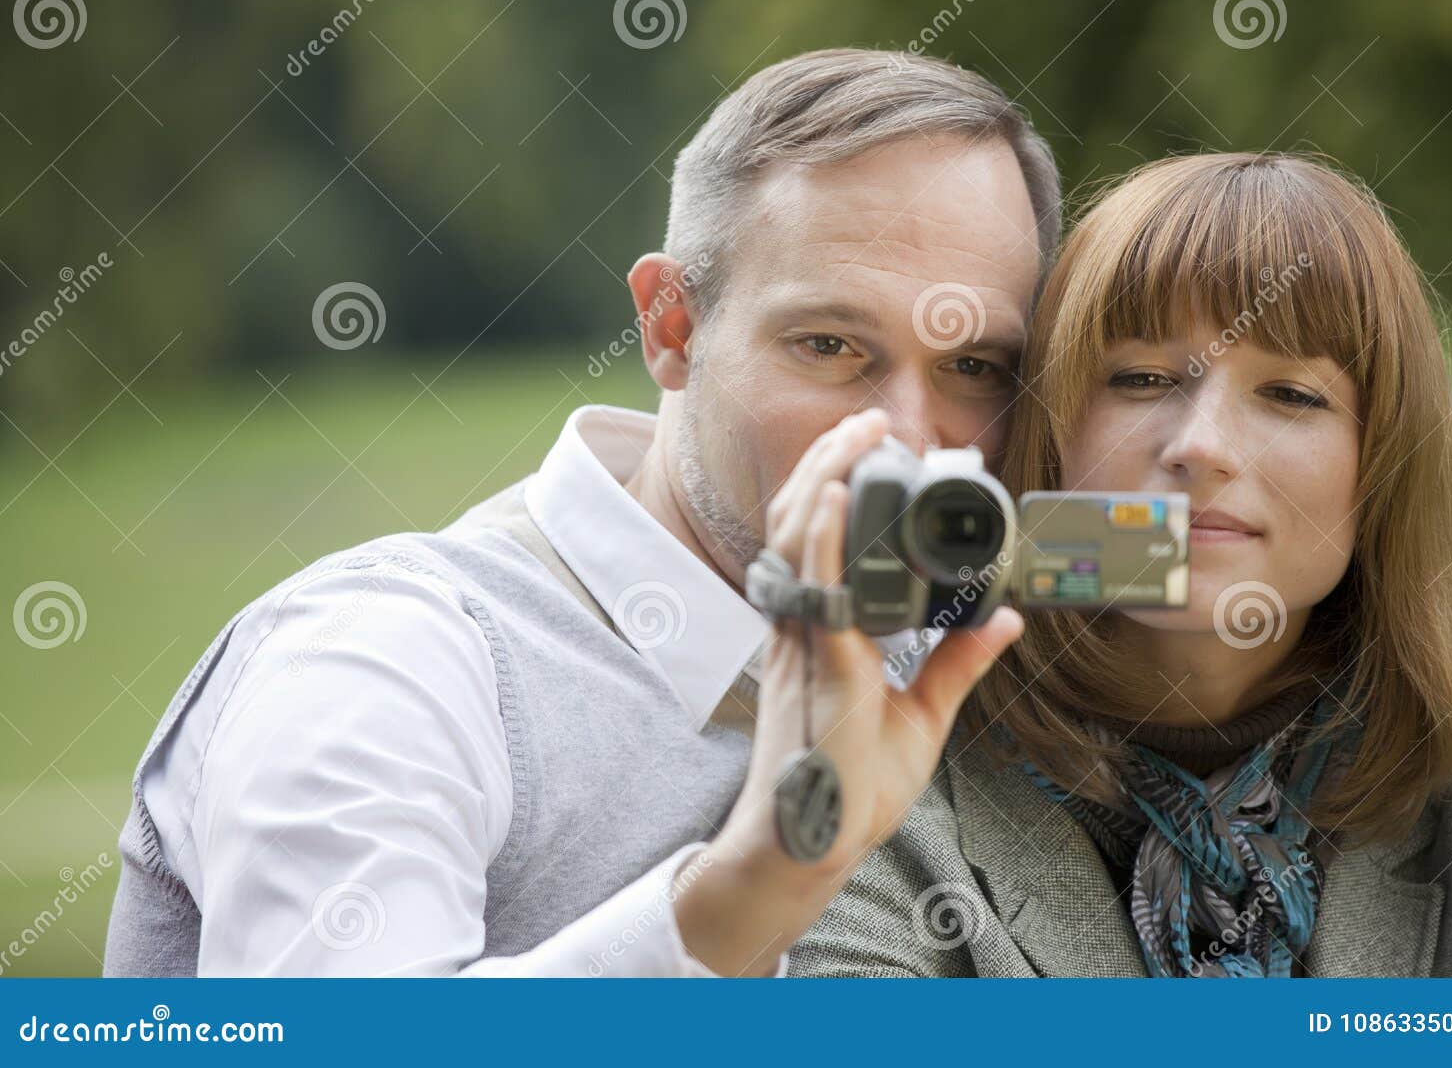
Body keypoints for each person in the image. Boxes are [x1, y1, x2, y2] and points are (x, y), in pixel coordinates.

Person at [102, 48, 1060, 976]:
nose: (908, 438)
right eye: (829, 345)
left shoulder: (974, 629)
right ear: (672, 326)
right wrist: (763, 876)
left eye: (973, 366)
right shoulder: (383, 657)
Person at [791, 151, 1452, 978]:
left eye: (1291, 394)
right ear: (1050, 432)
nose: (1202, 445)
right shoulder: (900, 775)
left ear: (1383, 466)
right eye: (1141, 378)